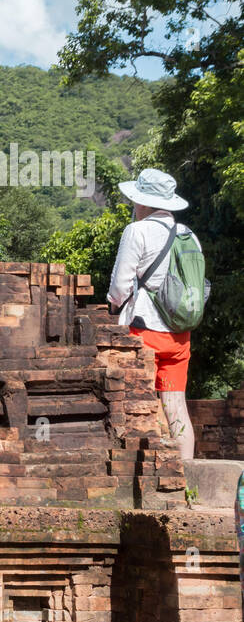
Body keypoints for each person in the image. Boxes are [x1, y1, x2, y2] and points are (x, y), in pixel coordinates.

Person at [107, 168, 201, 461]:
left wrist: (112, 306)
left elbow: (120, 286)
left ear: (145, 203)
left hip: (143, 332)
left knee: (141, 404)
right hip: (178, 335)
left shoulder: (137, 231)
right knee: (175, 405)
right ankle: (186, 478)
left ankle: (152, 480)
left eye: (136, 201)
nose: (134, 206)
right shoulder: (189, 236)